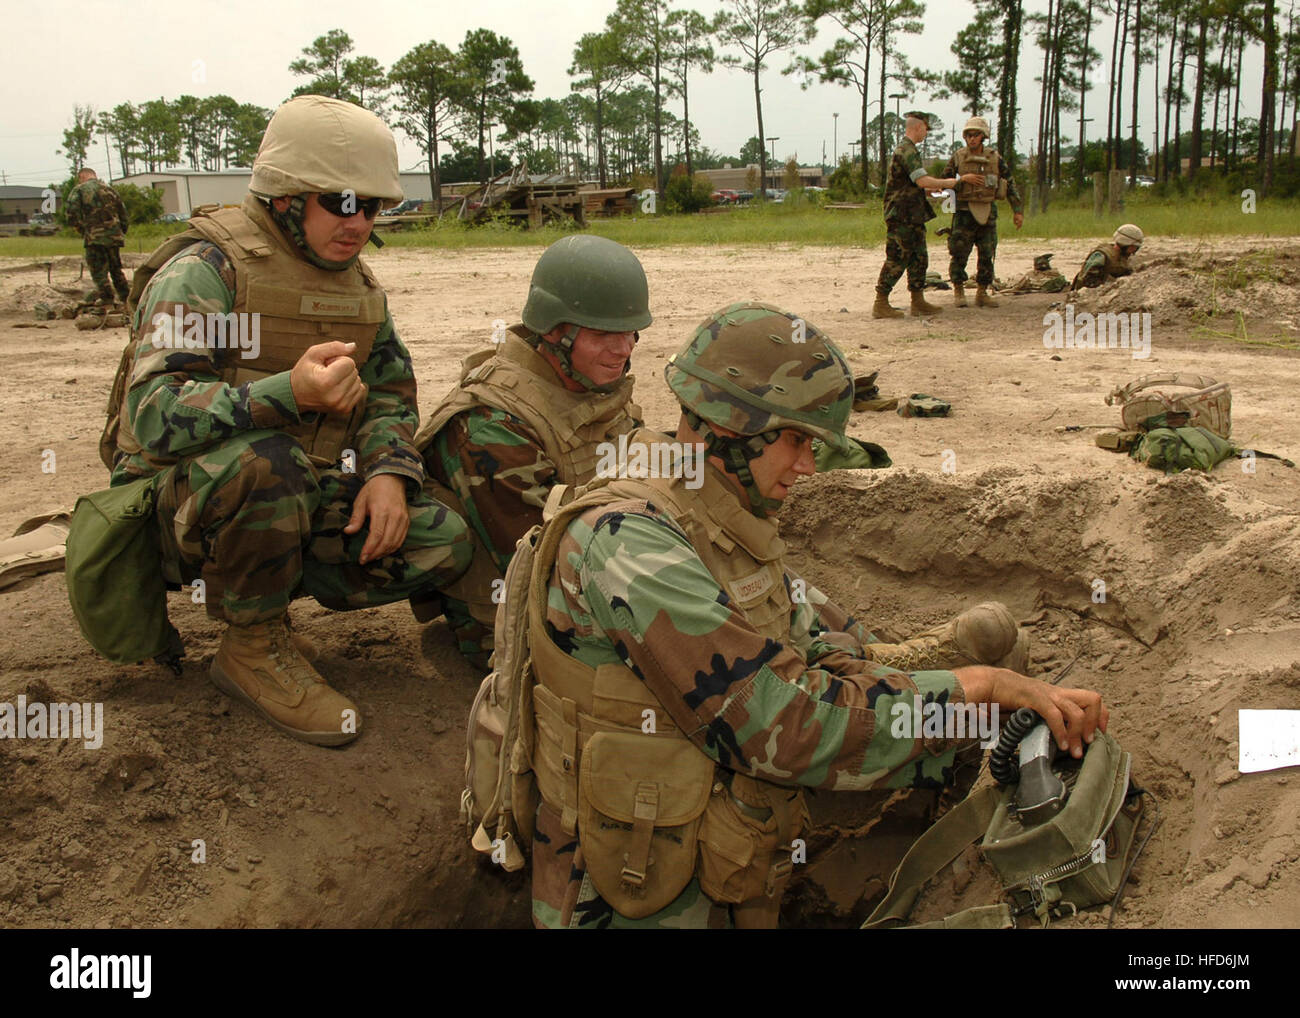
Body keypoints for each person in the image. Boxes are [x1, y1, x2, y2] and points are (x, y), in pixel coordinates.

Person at [519, 301, 1108, 928]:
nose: (808, 466)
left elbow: (810, 637)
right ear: (730, 428)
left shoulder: (712, 505)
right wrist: (978, 693)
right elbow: (784, 723)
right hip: (630, 884)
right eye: (796, 440)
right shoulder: (631, 543)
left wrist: (949, 685)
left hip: (721, 840)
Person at [97, 95, 472, 746]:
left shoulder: (357, 288)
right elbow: (153, 415)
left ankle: (262, 584)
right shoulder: (206, 270)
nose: (360, 222)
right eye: (341, 202)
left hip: (285, 495)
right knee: (267, 459)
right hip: (172, 513)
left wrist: (387, 472)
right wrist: (284, 394)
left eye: (374, 205)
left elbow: (388, 392)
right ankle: (251, 647)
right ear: (285, 197)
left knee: (442, 539)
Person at [410, 236, 649, 670]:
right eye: (603, 335)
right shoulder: (490, 423)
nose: (624, 350)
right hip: (519, 619)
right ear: (555, 331)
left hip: (599, 574)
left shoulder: (590, 382)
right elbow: (542, 561)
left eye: (631, 333)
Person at [874, 112, 971, 320]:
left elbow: (915, 185)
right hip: (902, 215)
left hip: (913, 214)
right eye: (926, 129)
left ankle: (918, 301)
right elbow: (922, 181)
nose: (926, 133)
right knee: (897, 258)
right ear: (918, 127)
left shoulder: (910, 150)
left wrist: (932, 191)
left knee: (919, 258)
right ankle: (881, 302)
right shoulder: (906, 150)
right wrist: (950, 183)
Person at [941, 116, 1024, 309]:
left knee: (987, 252)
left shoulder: (994, 158)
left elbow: (1010, 183)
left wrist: (1017, 211)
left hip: (987, 211)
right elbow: (944, 182)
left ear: (983, 136)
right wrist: (962, 180)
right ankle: (959, 289)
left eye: (975, 135)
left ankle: (982, 292)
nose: (972, 139)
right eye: (968, 135)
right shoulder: (958, 157)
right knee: (960, 252)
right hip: (963, 212)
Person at [65, 167, 130, 306]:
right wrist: (119, 232)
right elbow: (124, 214)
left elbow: (71, 213)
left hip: (95, 237)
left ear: (82, 176)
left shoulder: (80, 190)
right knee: (116, 269)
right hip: (114, 236)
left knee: (98, 270)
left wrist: (83, 230)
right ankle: (127, 298)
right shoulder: (111, 190)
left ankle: (107, 298)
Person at [1071, 224, 1144, 291]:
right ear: (1125, 244)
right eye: (1133, 247)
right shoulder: (1101, 255)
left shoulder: (1123, 258)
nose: (1134, 250)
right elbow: (1086, 280)